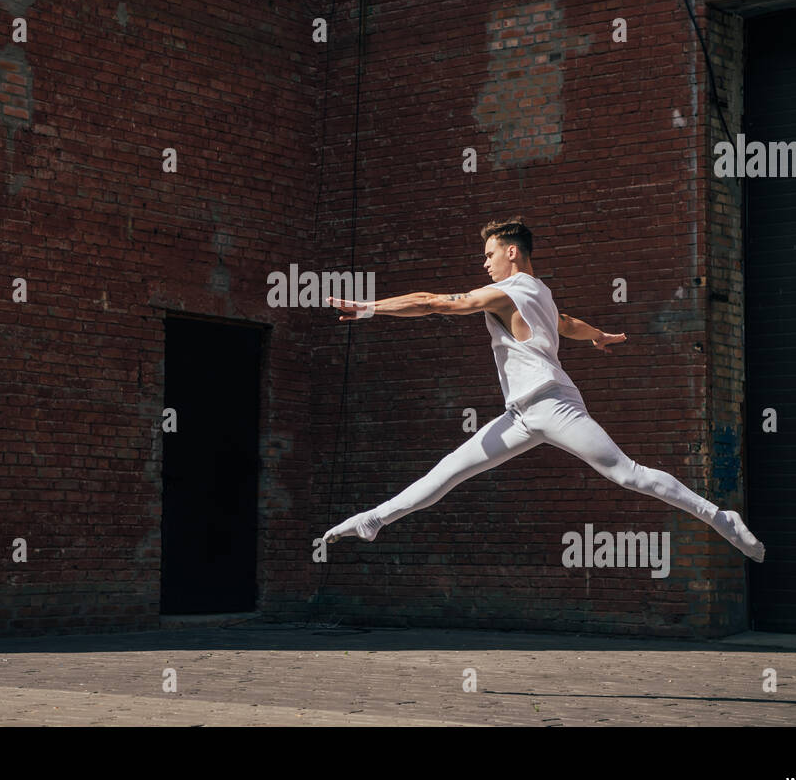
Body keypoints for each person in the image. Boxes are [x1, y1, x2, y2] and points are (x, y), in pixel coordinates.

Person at [320, 217, 765, 563]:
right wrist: (596, 336)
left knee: (627, 473)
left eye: (489, 254)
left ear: (511, 252)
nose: (484, 262)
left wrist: (370, 308)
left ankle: (720, 518)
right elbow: (565, 323)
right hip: (519, 416)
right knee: (449, 471)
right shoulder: (539, 290)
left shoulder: (505, 292)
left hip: (554, 405)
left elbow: (438, 303)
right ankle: (375, 519)